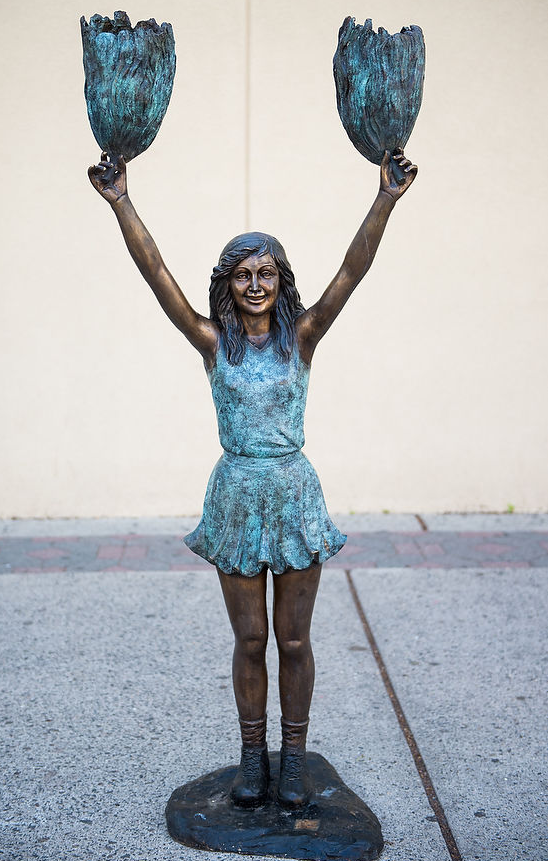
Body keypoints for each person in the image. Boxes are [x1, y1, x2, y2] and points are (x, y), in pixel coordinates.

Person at [88, 150, 417, 808]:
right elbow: (157, 277)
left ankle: (291, 757)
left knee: (293, 638)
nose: (256, 283)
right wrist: (121, 200)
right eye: (243, 274)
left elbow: (353, 269)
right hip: (237, 494)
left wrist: (383, 198)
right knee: (249, 638)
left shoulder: (303, 336)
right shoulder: (213, 342)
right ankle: (250, 756)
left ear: (281, 279)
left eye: (266, 271)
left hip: (293, 493)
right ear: (228, 284)